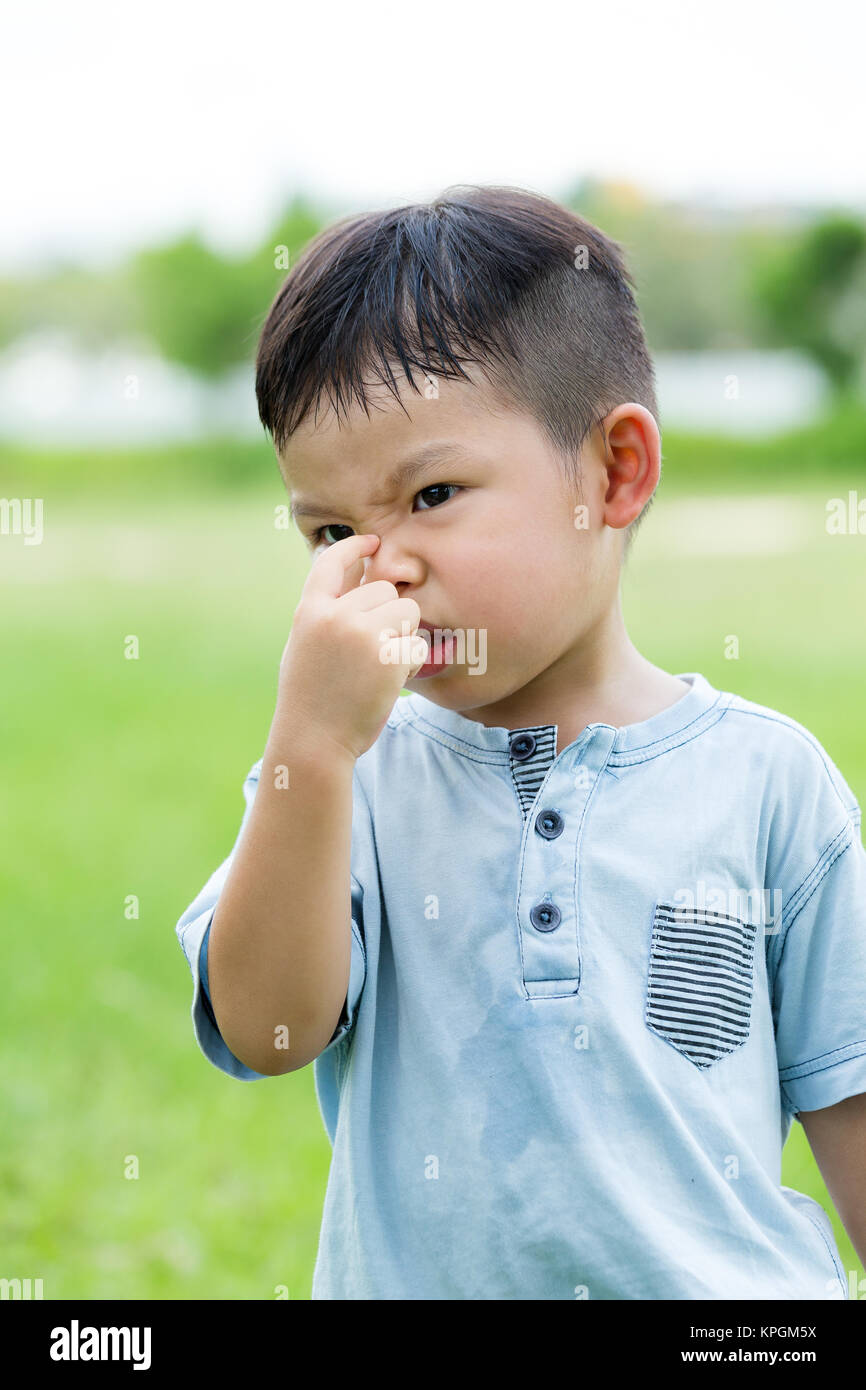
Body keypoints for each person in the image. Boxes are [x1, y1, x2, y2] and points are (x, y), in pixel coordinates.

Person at [175, 185, 866, 1299]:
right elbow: (271, 1029)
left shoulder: (767, 781)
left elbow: (847, 1108)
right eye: (331, 531)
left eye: (431, 493)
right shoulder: (343, 780)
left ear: (613, 473)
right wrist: (310, 741)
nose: (379, 564)